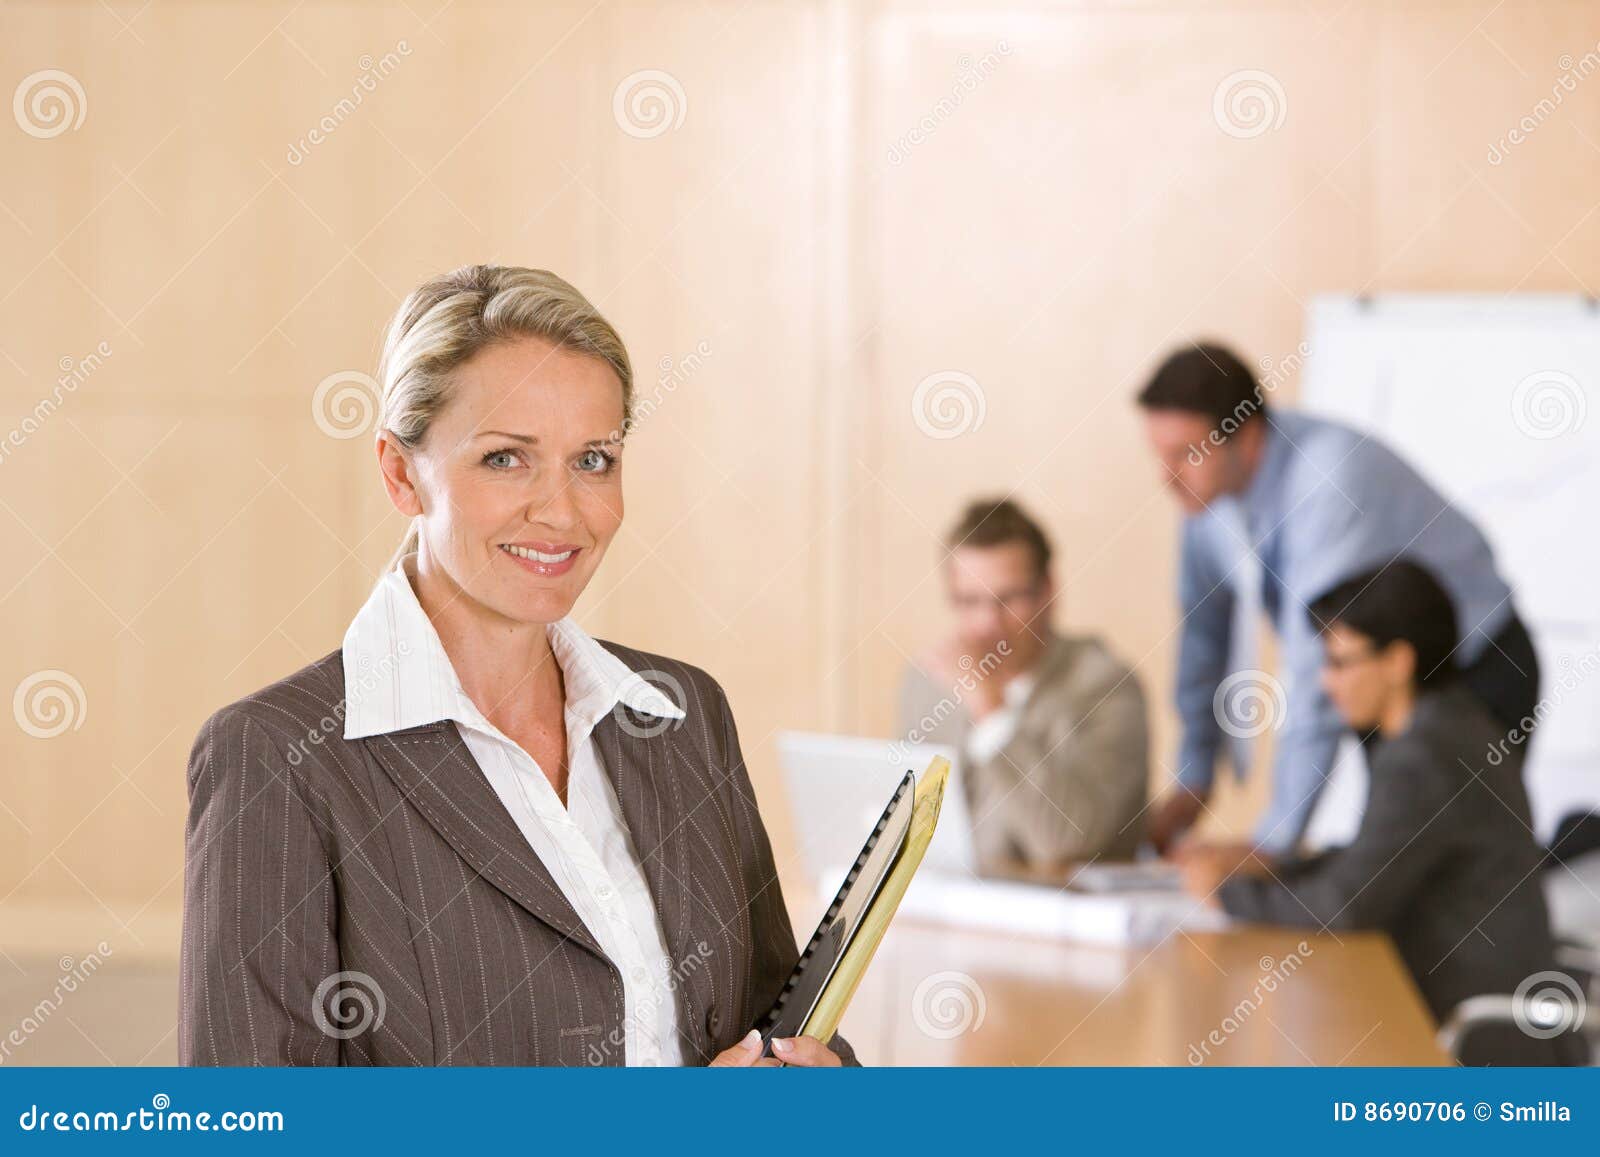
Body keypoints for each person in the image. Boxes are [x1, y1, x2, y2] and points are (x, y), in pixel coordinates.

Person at [180, 264, 853, 1068]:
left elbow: (779, 1021)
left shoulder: (680, 714)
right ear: (401, 474)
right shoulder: (279, 757)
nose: (562, 510)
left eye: (593, 460)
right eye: (506, 458)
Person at [1178, 561, 1584, 1066]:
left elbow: (1345, 906)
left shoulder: (1425, 756)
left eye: (1341, 662)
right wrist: (1275, 866)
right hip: (1477, 1011)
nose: (1328, 684)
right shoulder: (1450, 726)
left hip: (1477, 1037)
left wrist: (1223, 895)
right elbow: (1373, 861)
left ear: (1397, 662)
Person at [1136, 343, 1535, 857]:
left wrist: (1268, 850)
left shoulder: (1326, 482)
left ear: (1248, 437)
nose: (1166, 477)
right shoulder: (1205, 497)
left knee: (1444, 869)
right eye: (1160, 455)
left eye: (1185, 454)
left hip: (1478, 667)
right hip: (1389, 681)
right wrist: (1194, 774)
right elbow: (1202, 634)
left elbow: (1318, 673)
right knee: (1396, 865)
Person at [897, 498, 1149, 872]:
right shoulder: (927, 683)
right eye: (968, 601)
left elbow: (1065, 841)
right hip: (950, 917)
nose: (988, 623)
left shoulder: (1109, 688)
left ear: (1047, 590)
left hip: (1069, 920)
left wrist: (991, 713)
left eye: (1008, 599)